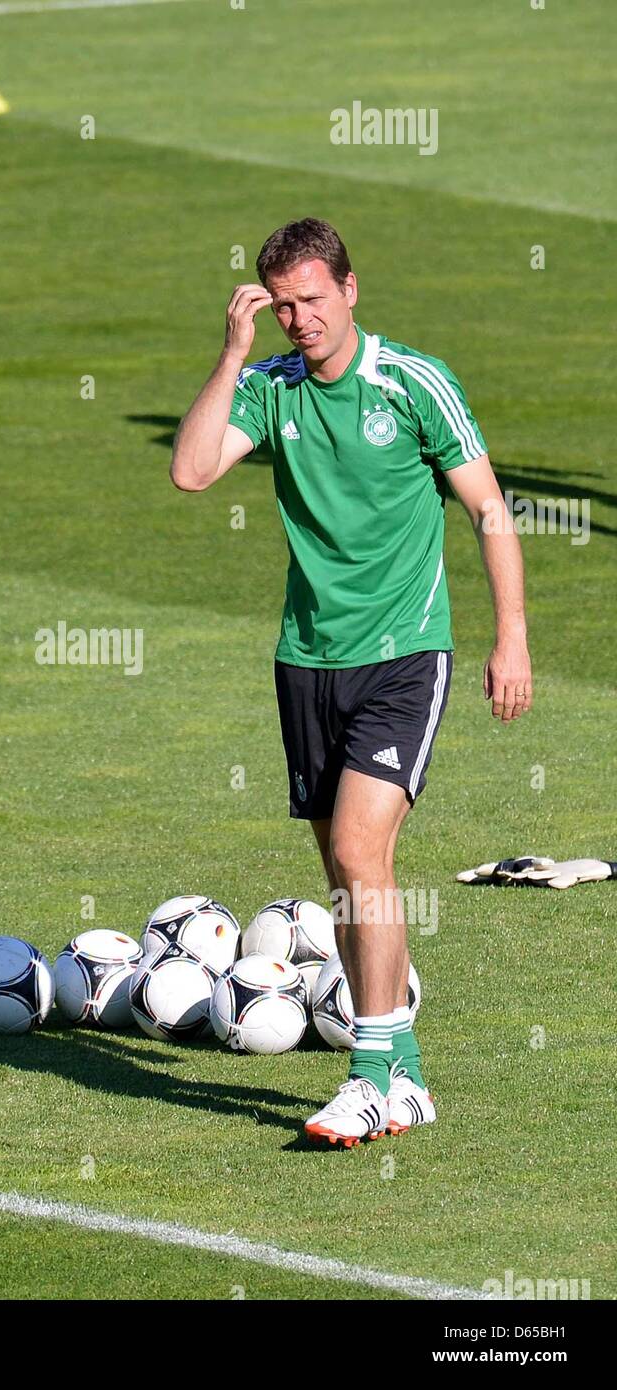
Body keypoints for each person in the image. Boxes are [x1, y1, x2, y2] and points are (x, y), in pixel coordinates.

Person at [170, 218, 532, 1146]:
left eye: (313, 300)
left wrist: (512, 640)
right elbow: (191, 471)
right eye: (283, 304)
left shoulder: (413, 383)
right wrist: (231, 353)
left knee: (364, 854)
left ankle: (367, 1078)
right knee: (345, 875)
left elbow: (489, 509)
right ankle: (406, 1075)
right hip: (308, 660)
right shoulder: (272, 388)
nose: (300, 320)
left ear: (351, 290)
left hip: (407, 654)